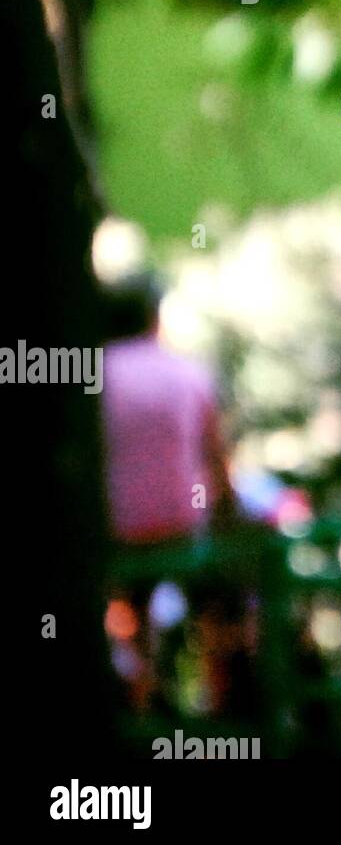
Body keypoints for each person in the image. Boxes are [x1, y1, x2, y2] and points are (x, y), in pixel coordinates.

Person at [100, 278, 237, 712]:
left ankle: (137, 708)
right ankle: (220, 713)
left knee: (130, 620)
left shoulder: (93, 372)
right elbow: (216, 458)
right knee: (213, 608)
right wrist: (227, 518)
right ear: (153, 318)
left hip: (117, 531)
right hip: (182, 524)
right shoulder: (187, 371)